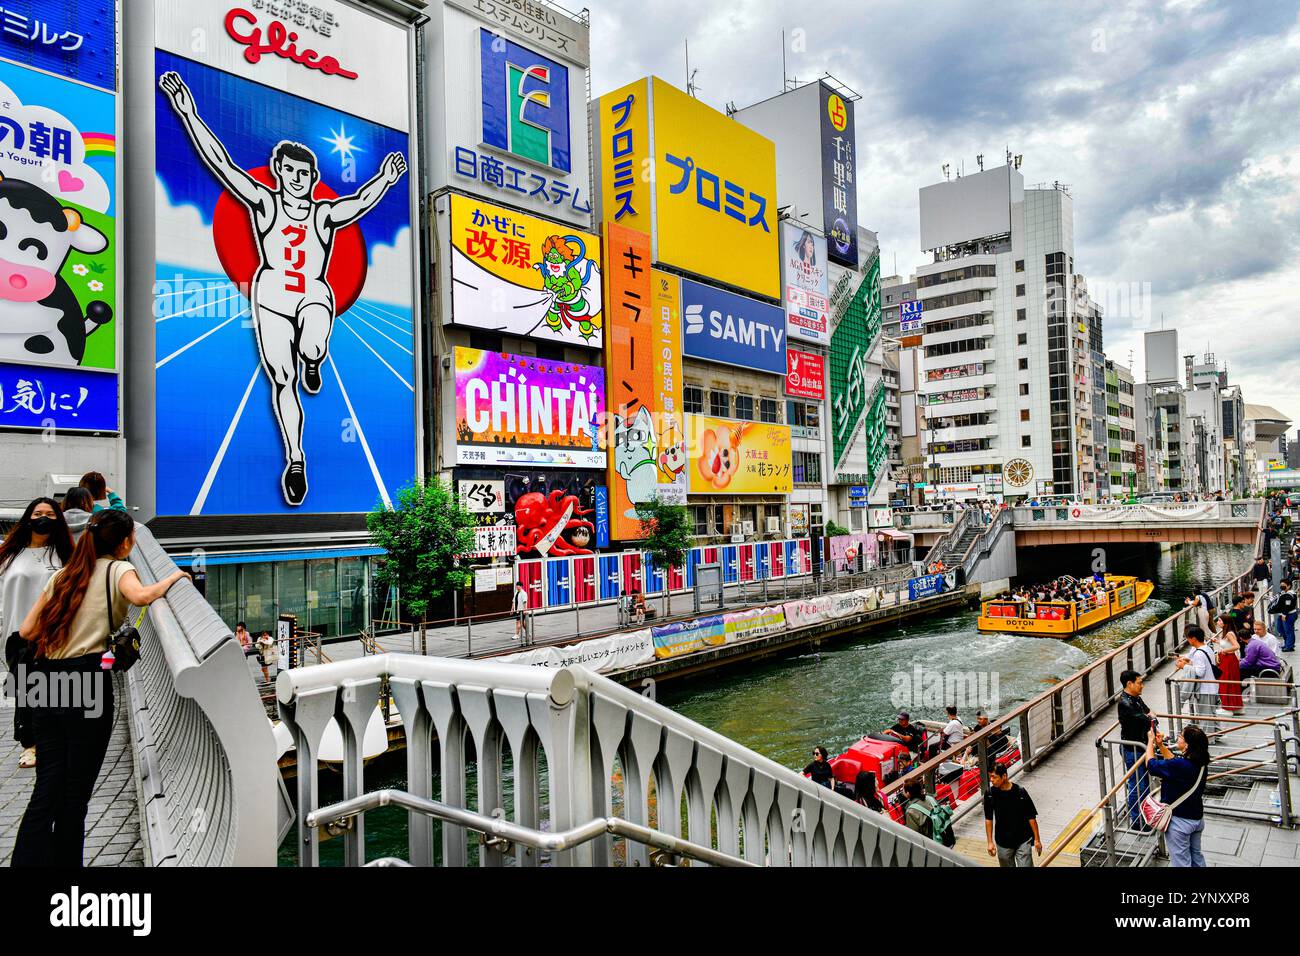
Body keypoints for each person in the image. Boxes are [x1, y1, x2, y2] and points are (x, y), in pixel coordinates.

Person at [160, 71, 407, 507]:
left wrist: (386, 180)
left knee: (311, 346)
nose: (297, 178)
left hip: (312, 290)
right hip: (272, 290)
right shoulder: (264, 201)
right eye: (290, 171)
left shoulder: (324, 214)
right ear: (279, 171)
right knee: (282, 377)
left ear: (313, 177)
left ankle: (315, 357)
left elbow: (359, 204)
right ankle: (296, 458)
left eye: (304, 173)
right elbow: (222, 164)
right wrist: (189, 113)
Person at [11, 509, 189, 867]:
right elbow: (140, 597)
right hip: (85, 682)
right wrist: (172, 579)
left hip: (44, 681)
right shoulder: (119, 569)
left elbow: (27, 632)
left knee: (46, 790)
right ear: (124, 543)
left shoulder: (63, 575)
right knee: (75, 796)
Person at [1, 499, 74, 770]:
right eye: (37, 513)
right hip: (17, 633)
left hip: (56, 634)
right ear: (27, 518)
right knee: (26, 691)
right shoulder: (8, 555)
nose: (43, 518)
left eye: (49, 514)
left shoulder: (66, 556)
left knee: (55, 688)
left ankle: (53, 743)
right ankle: (29, 744)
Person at [1144, 725, 1210, 867]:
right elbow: (1174, 762)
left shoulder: (1181, 765)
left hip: (1180, 823)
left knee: (1181, 862)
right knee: (1196, 857)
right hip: (1197, 819)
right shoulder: (1201, 762)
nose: (1177, 737)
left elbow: (1151, 765)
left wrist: (1150, 741)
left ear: (1187, 744)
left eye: (1180, 736)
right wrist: (1161, 745)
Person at [984, 762, 1041, 867]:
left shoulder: (1020, 792)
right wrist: (990, 842)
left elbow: (1031, 816)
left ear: (1004, 776)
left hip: (1023, 839)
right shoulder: (990, 794)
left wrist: (1037, 840)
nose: (991, 780)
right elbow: (988, 819)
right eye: (990, 777)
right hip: (1003, 842)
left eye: (994, 777)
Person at [1116, 670, 1153, 829]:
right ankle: (1137, 821)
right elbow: (1148, 719)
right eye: (1139, 682)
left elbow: (1150, 713)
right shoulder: (1126, 703)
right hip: (1133, 749)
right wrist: (1150, 718)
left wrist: (1151, 718)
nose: (1142, 685)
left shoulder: (1135, 698)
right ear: (1129, 684)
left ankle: (1143, 816)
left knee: (1143, 784)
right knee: (1138, 785)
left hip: (1141, 746)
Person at [1174, 626, 1218, 717]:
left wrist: (1184, 666)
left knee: (1206, 720)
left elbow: (1200, 672)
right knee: (1212, 717)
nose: (1187, 640)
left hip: (1205, 690)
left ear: (1193, 639)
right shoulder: (1207, 648)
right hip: (1212, 687)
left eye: (1188, 638)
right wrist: (1189, 662)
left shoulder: (1198, 653)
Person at [1212, 624, 1242, 715]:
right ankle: (1236, 706)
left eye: (1220, 620)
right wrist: (1217, 642)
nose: (1217, 622)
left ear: (1225, 622)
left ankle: (1227, 708)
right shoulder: (1228, 633)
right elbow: (1228, 644)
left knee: (1225, 682)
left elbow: (1236, 646)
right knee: (1232, 682)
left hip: (1228, 660)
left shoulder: (1229, 634)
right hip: (1230, 660)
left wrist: (1223, 651)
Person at [1267, 580, 1297, 652]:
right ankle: (1288, 644)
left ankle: (1289, 646)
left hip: (1288, 615)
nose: (1281, 586)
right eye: (1281, 584)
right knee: (1280, 629)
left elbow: (1287, 606)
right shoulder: (1283, 593)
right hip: (1282, 614)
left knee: (1288, 631)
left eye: (1283, 585)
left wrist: (1284, 614)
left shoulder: (1289, 595)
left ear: (1289, 586)